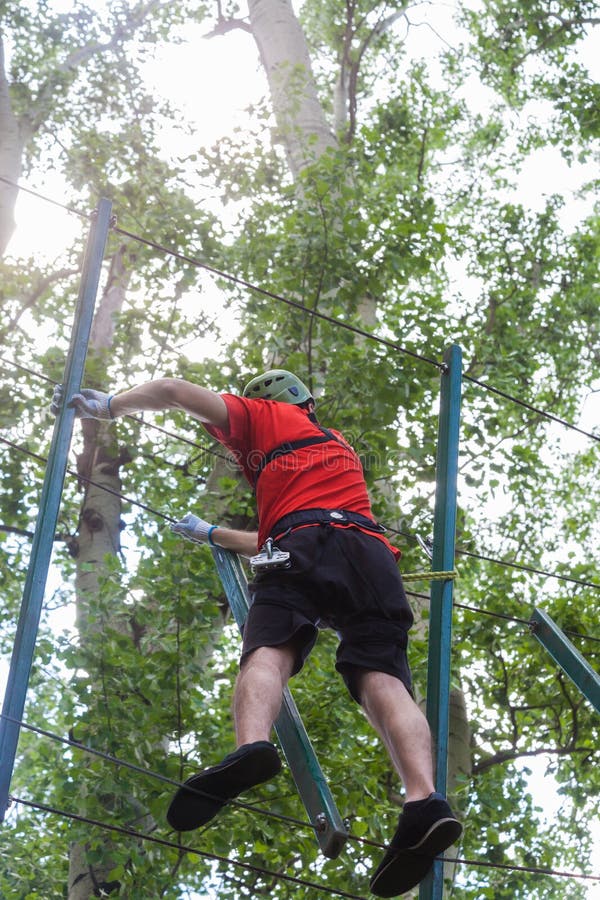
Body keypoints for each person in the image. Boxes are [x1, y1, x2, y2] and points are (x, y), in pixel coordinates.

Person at [52, 369, 462, 897]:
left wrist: (111, 405)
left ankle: (252, 748)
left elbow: (175, 391)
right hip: (368, 553)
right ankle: (423, 799)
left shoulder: (264, 416)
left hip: (299, 545)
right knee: (381, 676)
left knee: (269, 651)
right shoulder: (335, 447)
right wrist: (211, 533)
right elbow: (275, 532)